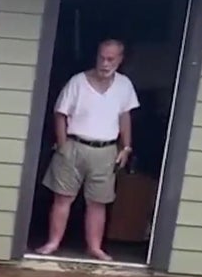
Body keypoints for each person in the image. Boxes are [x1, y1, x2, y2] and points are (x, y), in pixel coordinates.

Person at [37, 39, 138, 261]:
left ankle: (95, 248)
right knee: (63, 197)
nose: (105, 62)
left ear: (120, 60)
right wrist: (63, 145)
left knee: (98, 202)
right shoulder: (78, 82)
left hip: (106, 149)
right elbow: (60, 114)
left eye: (110, 59)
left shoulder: (124, 85)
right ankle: (53, 243)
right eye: (101, 57)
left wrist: (126, 147)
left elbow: (125, 117)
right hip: (74, 145)